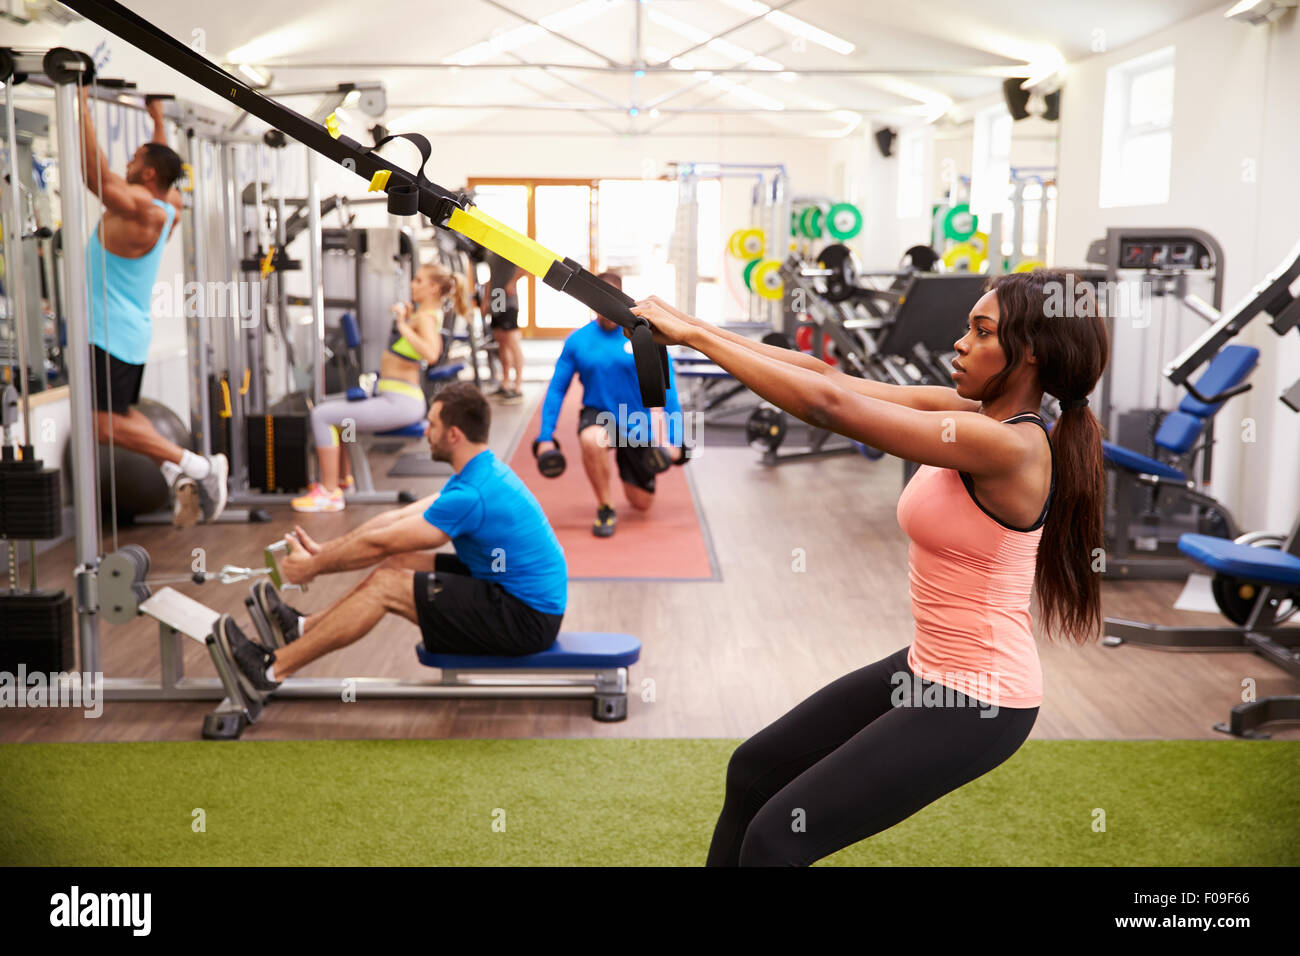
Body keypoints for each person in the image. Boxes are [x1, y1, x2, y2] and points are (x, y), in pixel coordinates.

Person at [630, 271, 1108, 866]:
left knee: (777, 840)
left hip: (979, 699)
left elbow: (825, 405)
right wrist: (692, 327)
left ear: (1031, 353)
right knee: (752, 770)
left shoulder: (1010, 447)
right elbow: (826, 375)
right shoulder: (969, 414)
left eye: (981, 332)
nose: (959, 343)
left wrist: (698, 341)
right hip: (927, 667)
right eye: (967, 328)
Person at [213, 382, 568, 702]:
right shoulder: (480, 471)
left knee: (387, 585)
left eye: (433, 425)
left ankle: (271, 670)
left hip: (525, 619)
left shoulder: (472, 492)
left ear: (454, 434)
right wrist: (324, 552)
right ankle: (302, 629)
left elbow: (381, 545)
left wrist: (313, 568)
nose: (427, 432)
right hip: (506, 588)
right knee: (400, 566)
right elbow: (394, 521)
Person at [78, 89, 228, 527]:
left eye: (134, 159)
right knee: (120, 417)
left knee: (102, 427)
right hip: (124, 331)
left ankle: (198, 466)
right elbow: (162, 167)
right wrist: (157, 120)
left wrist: (80, 97)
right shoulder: (169, 204)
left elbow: (93, 173)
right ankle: (171, 468)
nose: (125, 163)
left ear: (145, 173)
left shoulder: (145, 210)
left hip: (110, 332)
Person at [292, 261, 471, 513]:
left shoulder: (426, 318)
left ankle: (329, 492)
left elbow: (431, 354)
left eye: (418, 280)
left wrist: (402, 326)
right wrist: (407, 320)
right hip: (395, 397)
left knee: (321, 415)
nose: (412, 284)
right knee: (341, 419)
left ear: (432, 288)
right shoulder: (421, 316)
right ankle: (344, 482)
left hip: (400, 402)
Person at [535, 272, 688, 538]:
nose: (604, 308)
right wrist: (546, 437)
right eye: (598, 301)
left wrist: (675, 441)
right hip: (598, 416)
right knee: (591, 440)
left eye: (610, 301)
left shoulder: (642, 336)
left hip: (636, 422)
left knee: (641, 504)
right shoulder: (578, 341)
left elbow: (669, 390)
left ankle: (625, 469)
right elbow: (557, 389)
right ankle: (605, 505)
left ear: (620, 300)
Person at [482, 249, 524, 402]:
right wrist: (486, 299)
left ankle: (518, 386)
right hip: (496, 297)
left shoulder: (507, 248)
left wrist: (513, 282)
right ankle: (505, 383)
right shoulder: (490, 253)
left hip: (508, 299)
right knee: (501, 341)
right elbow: (492, 277)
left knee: (512, 341)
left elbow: (526, 267)